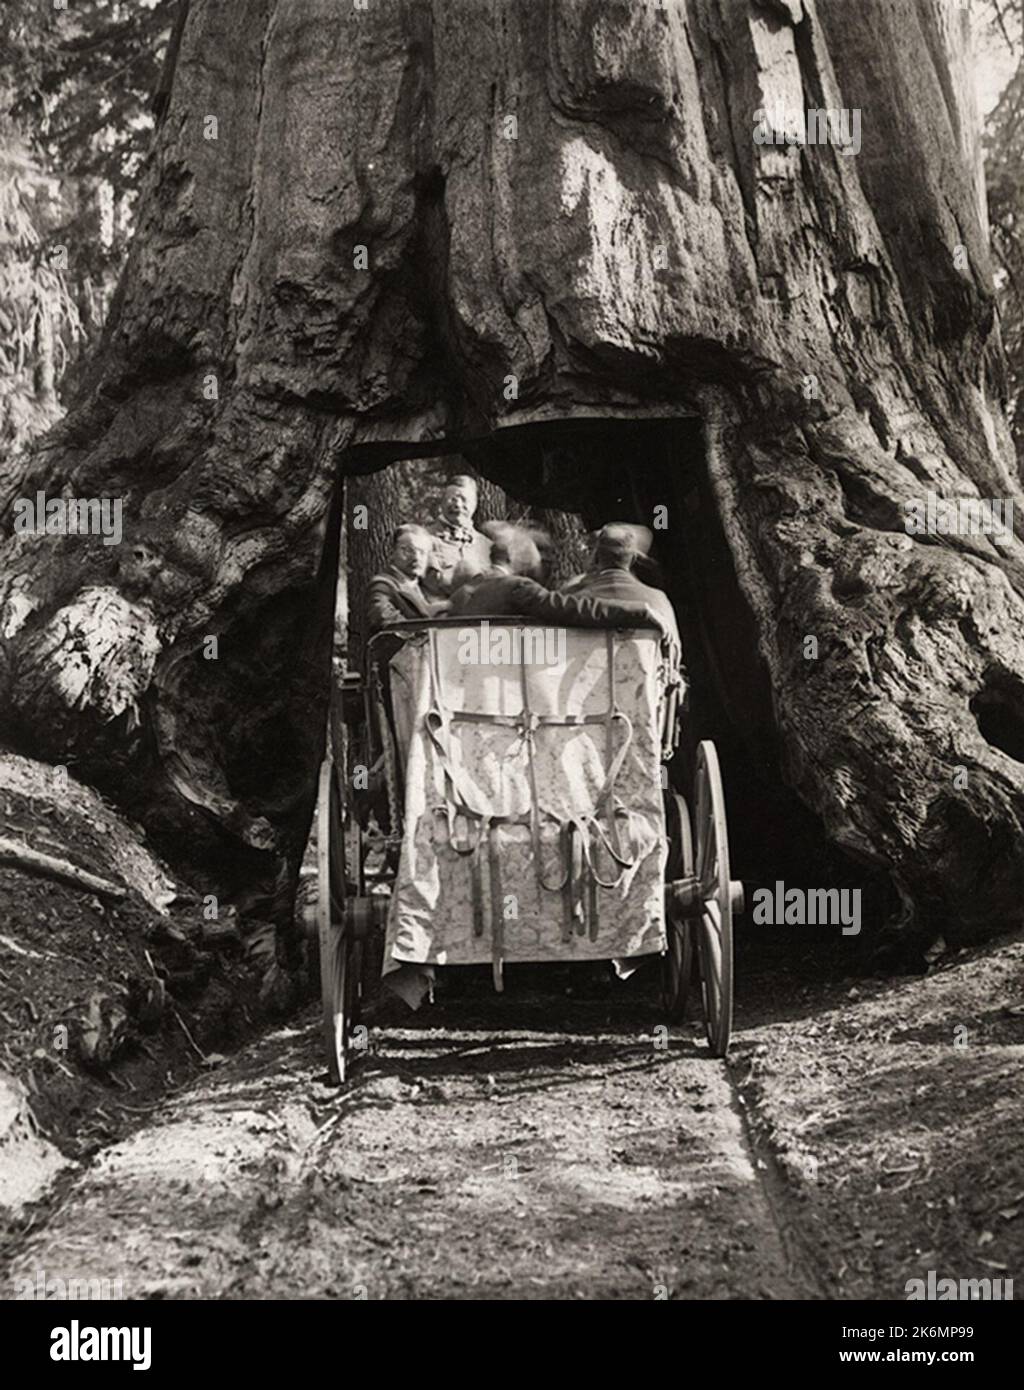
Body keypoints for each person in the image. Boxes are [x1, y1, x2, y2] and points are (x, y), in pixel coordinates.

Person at [447, 522, 668, 634]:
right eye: (536, 551)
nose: (541, 561)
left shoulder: (464, 593)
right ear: (518, 555)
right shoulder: (518, 587)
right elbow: (575, 608)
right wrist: (642, 611)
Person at [561, 523, 681, 659]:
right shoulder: (658, 600)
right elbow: (673, 655)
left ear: (596, 557)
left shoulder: (570, 599)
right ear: (633, 559)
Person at [424, 475, 493, 598]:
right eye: (452, 499)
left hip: (483, 615)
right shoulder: (423, 539)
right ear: (442, 502)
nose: (457, 505)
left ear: (475, 504)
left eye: (464, 499)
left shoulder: (487, 546)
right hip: (442, 614)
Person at [366, 525, 439, 633]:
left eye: (422, 552)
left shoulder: (422, 587)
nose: (416, 558)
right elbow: (386, 621)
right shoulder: (383, 586)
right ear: (392, 552)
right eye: (408, 550)